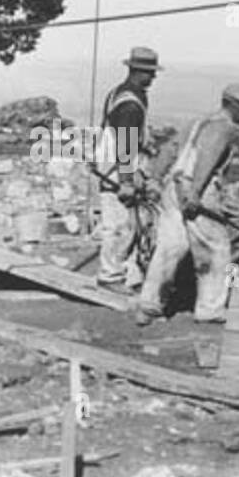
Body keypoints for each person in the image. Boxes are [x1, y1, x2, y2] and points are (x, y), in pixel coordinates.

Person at [135, 83, 239, 326]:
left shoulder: (198, 122)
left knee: (171, 246)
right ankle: (210, 309)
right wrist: (195, 194)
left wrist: (155, 179)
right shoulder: (224, 127)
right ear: (232, 106)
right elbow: (207, 158)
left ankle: (149, 305)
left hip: (173, 185)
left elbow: (169, 149)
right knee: (218, 249)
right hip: (197, 188)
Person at [94, 47, 161, 293]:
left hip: (114, 163)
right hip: (117, 167)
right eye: (149, 73)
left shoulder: (120, 93)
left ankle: (123, 273)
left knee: (128, 223)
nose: (153, 78)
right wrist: (126, 181)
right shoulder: (131, 104)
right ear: (137, 71)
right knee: (120, 225)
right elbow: (125, 145)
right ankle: (110, 276)